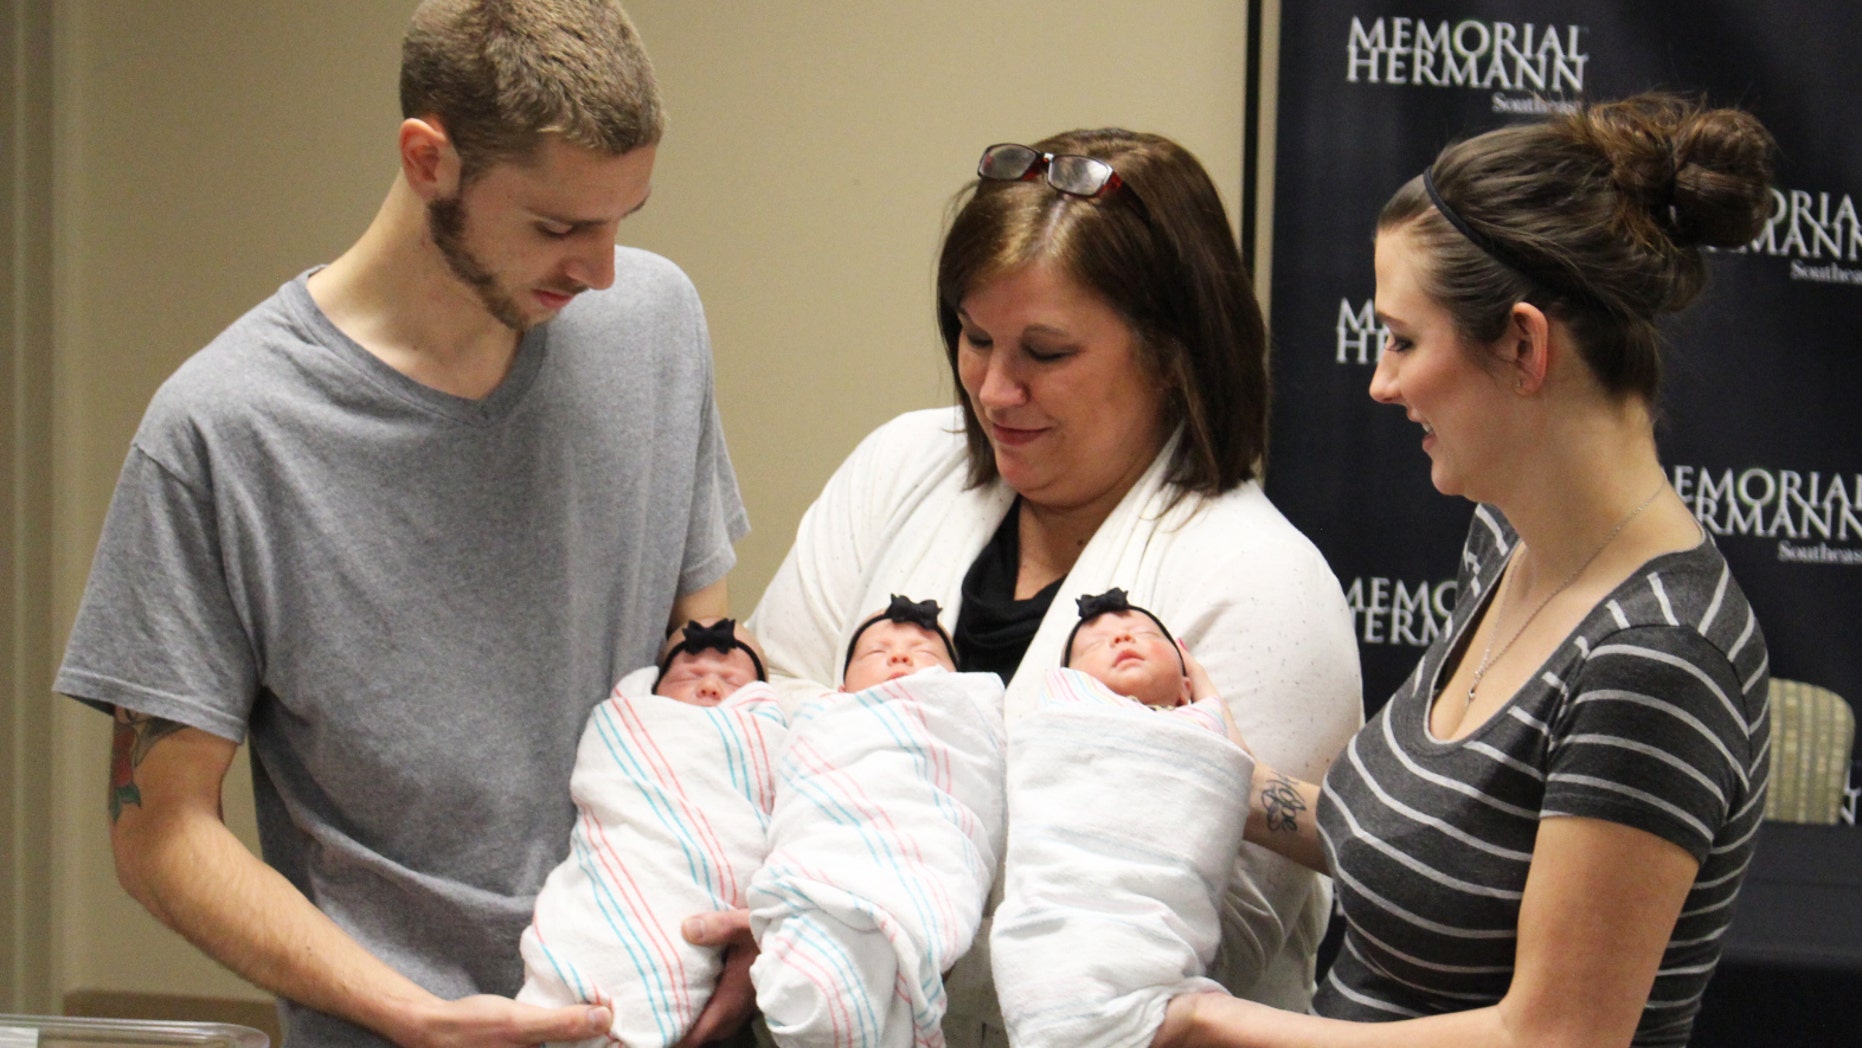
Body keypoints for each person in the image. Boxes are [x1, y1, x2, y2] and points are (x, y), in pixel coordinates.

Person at [54, 3, 753, 1046]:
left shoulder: (654, 325)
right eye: (558, 227)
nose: (599, 267)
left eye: (623, 219)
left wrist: (749, 919)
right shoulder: (225, 431)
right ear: (429, 159)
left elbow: (705, 690)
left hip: (663, 1011)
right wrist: (415, 1015)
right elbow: (158, 835)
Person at [1153, 93, 1776, 1048]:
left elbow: (1554, 1037)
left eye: (1403, 340)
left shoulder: (1657, 660)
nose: (1380, 381)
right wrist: (1215, 767)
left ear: (1523, 346)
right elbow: (1418, 847)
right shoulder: (1505, 539)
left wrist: (1221, 1025)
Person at [736, 129, 1363, 1045]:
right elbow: (749, 729)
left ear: (1171, 353)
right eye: (974, 336)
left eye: (1047, 352)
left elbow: (1187, 938)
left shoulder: (1262, 583)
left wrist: (860, 842)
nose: (994, 388)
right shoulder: (901, 466)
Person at [991, 589, 1252, 1047]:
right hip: (1062, 913)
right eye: (1094, 645)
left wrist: (1213, 728)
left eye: (1147, 635)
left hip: (1154, 924)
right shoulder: (1064, 723)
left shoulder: (1203, 730)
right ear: (1066, 683)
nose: (1122, 639)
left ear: (1186, 682)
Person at [746, 596, 1005, 1047]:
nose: (900, 656)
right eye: (875, 653)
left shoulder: (959, 717)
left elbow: (972, 787)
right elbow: (800, 789)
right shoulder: (824, 718)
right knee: (821, 965)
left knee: (872, 959)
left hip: (925, 855)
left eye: (925, 653)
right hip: (828, 852)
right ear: (842, 687)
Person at [519, 619, 784, 1048]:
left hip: (696, 909)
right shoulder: (629, 722)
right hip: (616, 872)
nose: (711, 687)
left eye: (733, 681)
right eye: (689, 676)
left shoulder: (768, 742)